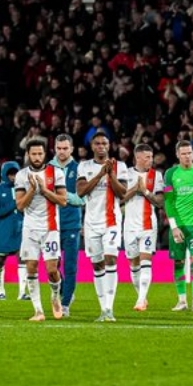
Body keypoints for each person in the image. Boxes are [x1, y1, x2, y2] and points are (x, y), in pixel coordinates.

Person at [15, 137, 70, 321]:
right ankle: (38, 311)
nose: (37, 157)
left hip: (50, 228)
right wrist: (32, 189)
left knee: (52, 270)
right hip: (30, 229)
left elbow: (63, 201)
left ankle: (55, 296)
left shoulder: (56, 173)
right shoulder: (22, 175)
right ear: (28, 155)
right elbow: (20, 205)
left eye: (40, 153)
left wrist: (44, 190)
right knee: (31, 268)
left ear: (45, 154)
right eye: (33, 154)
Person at [77, 131, 128, 321]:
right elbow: (81, 191)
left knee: (111, 259)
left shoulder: (120, 166)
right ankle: (102, 309)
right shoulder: (84, 166)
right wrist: (100, 174)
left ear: (109, 145)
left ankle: (109, 308)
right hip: (91, 222)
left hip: (112, 222)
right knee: (97, 264)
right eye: (97, 143)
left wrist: (111, 175)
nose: (101, 146)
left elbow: (122, 193)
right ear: (92, 147)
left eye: (104, 143)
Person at [163, 139, 193, 311]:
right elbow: (168, 202)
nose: (187, 156)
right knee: (179, 262)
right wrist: (173, 226)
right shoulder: (171, 173)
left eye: (190, 153)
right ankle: (182, 301)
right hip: (178, 225)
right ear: (177, 155)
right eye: (184, 154)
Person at [120, 143, 164, 311]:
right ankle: (141, 296)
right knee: (133, 263)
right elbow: (120, 198)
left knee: (146, 261)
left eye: (151, 157)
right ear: (137, 157)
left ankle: (140, 300)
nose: (150, 160)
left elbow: (160, 202)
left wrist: (145, 191)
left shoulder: (157, 176)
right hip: (129, 225)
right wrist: (135, 189)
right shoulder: (126, 174)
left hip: (148, 225)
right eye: (147, 157)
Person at [52, 134, 85, 317]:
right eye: (59, 148)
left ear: (71, 149)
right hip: (50, 224)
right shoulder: (47, 168)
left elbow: (82, 199)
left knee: (70, 265)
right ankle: (65, 290)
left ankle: (65, 304)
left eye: (65, 148)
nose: (62, 151)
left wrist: (62, 198)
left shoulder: (80, 169)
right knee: (53, 265)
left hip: (71, 223)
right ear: (54, 148)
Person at [0, 161, 27, 301]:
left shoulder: (23, 188)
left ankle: (22, 292)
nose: (13, 177)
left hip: (20, 228)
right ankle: (1, 290)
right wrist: (14, 203)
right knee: (1, 259)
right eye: (10, 174)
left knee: (22, 258)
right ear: (5, 174)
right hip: (3, 230)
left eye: (15, 173)